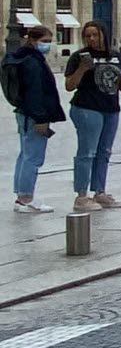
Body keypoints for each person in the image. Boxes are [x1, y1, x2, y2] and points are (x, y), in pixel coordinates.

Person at [65, 20, 121, 211]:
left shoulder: (115, 56)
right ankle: (81, 196)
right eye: (88, 36)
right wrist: (82, 69)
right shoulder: (78, 57)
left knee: (104, 152)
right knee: (87, 152)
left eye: (95, 35)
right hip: (86, 108)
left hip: (110, 109)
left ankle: (99, 192)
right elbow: (69, 86)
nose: (91, 39)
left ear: (103, 35)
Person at [7, 25, 63, 213]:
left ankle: (21, 196)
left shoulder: (21, 57)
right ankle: (26, 198)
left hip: (23, 113)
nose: (47, 45)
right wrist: (41, 118)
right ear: (32, 40)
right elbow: (35, 92)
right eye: (45, 41)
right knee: (33, 157)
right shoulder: (32, 61)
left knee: (25, 155)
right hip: (33, 115)